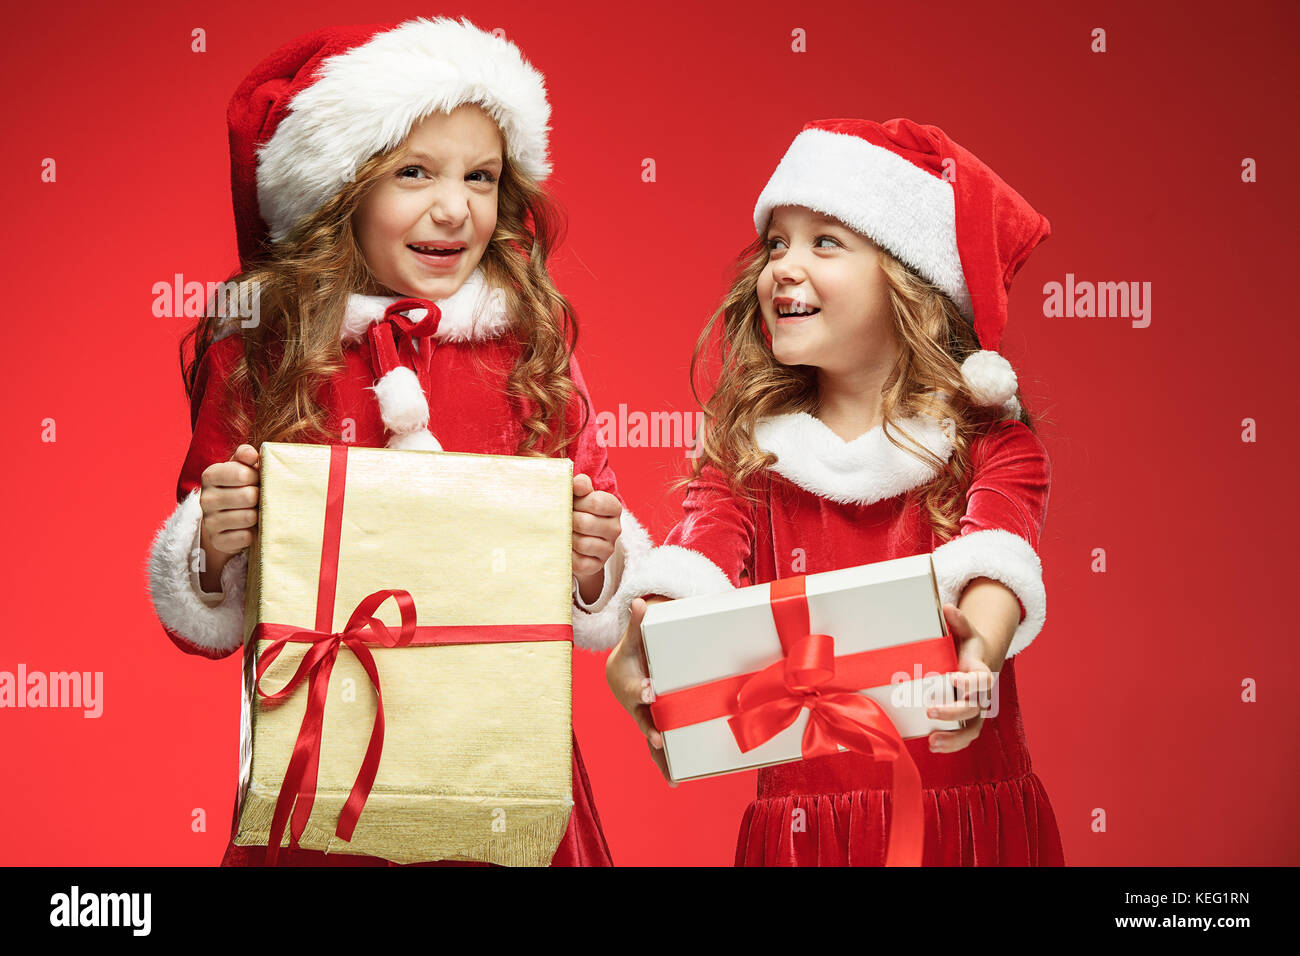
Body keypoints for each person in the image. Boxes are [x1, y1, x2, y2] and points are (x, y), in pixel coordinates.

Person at [146, 16, 651, 867]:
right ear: (338, 189)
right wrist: (214, 544)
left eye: (481, 176)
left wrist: (595, 556)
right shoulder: (262, 353)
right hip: (327, 757)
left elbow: (590, 573)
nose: (455, 207)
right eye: (414, 172)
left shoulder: (525, 349)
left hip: (496, 763)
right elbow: (206, 621)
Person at [605, 118, 1065, 865]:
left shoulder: (991, 445)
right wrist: (648, 637)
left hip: (961, 831)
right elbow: (696, 561)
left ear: (912, 283)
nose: (783, 267)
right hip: (804, 838)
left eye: (825, 242)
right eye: (775, 243)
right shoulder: (748, 458)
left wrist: (976, 656)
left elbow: (995, 561)